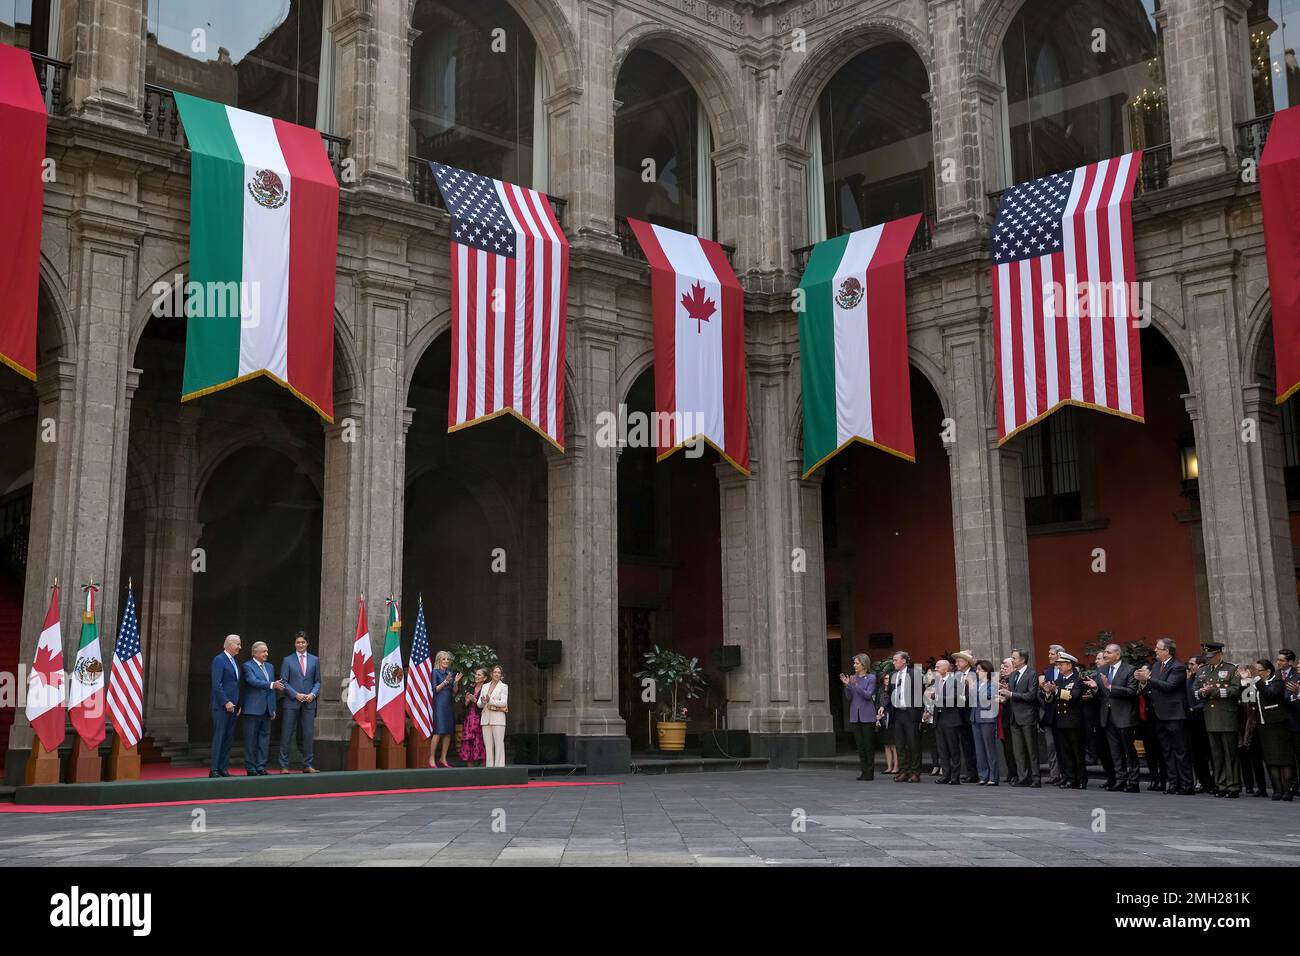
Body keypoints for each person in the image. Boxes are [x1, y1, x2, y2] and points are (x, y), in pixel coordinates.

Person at [1136, 637, 1192, 795]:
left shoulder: (1178, 667)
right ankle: (1173, 783)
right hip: (1159, 715)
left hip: (1174, 715)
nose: (1155, 650)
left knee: (1180, 752)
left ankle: (1186, 784)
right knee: (1166, 751)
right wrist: (1142, 683)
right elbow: (1153, 689)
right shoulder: (1156, 665)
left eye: (1158, 648)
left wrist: (1148, 679)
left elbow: (1169, 687)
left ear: (1167, 651)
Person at [1087, 642, 1140, 792]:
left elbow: (1131, 692)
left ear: (1118, 654)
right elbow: (1100, 695)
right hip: (1107, 716)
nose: (1105, 655)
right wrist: (1095, 688)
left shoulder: (1129, 670)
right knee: (1115, 751)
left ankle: (1133, 781)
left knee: (1129, 750)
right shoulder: (1102, 669)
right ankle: (1120, 779)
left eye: (1109, 652)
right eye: (1105, 652)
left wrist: (1111, 687)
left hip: (1124, 716)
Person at [1242, 659, 1296, 801]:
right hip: (1263, 727)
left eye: (1259, 670)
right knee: (1271, 760)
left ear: (1268, 671)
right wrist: (1245, 681)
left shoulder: (1277, 682)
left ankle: (1287, 790)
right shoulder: (1257, 683)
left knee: (1284, 759)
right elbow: (1247, 698)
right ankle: (1277, 790)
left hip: (1278, 726)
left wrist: (1257, 679)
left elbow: (1269, 694)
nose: (1256, 673)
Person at [1194, 641, 1242, 797]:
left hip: (1226, 715)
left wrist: (1213, 691)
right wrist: (1202, 693)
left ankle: (1233, 785)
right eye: (1206, 656)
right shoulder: (1202, 671)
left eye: (1211, 656)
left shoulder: (1230, 669)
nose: (1208, 659)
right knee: (1217, 753)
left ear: (1220, 654)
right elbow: (1195, 692)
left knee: (1230, 753)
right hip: (1210, 716)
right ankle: (1220, 784)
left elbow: (1235, 690)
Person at [1041, 651, 1086, 789]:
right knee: (1065, 752)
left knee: (1077, 751)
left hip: (1073, 721)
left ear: (1069, 665)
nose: (1059, 667)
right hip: (1060, 720)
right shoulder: (1059, 680)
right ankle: (1070, 778)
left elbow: (1074, 696)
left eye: (1061, 664)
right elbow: (1051, 700)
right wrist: (1048, 693)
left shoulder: (1077, 680)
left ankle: (1081, 779)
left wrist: (1056, 691)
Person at [278, 631, 321, 774]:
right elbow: (284, 681)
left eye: (303, 642)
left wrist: (312, 694)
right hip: (291, 702)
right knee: (287, 733)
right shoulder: (287, 660)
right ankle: (284, 765)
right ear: (294, 644)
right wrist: (296, 694)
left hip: (309, 702)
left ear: (307, 643)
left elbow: (317, 681)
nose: (300, 645)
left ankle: (307, 764)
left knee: (308, 734)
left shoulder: (315, 660)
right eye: (298, 642)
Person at [240, 641, 283, 776]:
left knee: (264, 739)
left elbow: (273, 690)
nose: (266, 654)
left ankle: (261, 767)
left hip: (267, 709)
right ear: (255, 653)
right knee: (251, 739)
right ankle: (251, 768)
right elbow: (252, 681)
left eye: (267, 651)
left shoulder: (269, 667)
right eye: (263, 651)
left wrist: (273, 708)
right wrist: (271, 684)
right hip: (252, 709)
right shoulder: (247, 665)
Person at [1000, 648, 1040, 787]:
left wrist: (1011, 694)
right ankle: (1023, 777)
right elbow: (1011, 695)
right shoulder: (1013, 675)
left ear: (1022, 659)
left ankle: (1036, 778)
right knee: (1018, 750)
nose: (1012, 660)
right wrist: (1004, 696)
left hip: (1027, 717)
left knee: (1031, 749)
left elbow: (1031, 695)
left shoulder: (1031, 674)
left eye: (1014, 658)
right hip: (1014, 717)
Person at [888, 651, 925, 783]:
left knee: (913, 743)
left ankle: (915, 772)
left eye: (895, 660)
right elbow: (889, 694)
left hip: (910, 714)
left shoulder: (914, 674)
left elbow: (920, 694)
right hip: (897, 713)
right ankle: (903, 771)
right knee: (900, 744)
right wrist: (884, 708)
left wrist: (920, 712)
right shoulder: (893, 675)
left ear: (904, 661)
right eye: (893, 660)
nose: (893, 662)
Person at [209, 634, 243, 778]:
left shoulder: (235, 662)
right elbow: (217, 684)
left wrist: (238, 704)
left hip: (233, 707)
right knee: (220, 736)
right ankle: (214, 769)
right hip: (221, 707)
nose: (240, 647)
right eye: (238, 644)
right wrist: (226, 702)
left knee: (228, 739)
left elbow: (236, 685)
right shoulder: (219, 659)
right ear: (229, 644)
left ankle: (223, 768)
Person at [840, 653, 877, 781]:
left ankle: (870, 772)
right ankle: (863, 771)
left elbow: (867, 695)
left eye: (856, 663)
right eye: (854, 663)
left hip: (867, 716)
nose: (854, 665)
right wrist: (847, 685)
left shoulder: (871, 678)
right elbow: (849, 697)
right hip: (855, 715)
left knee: (868, 745)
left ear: (863, 664)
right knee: (860, 746)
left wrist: (856, 685)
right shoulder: (852, 677)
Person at [1082, 650, 1115, 786]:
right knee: (1103, 750)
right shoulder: (1095, 676)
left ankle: (1118, 777)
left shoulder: (1111, 675)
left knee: (1113, 750)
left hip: (1113, 716)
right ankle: (1110, 777)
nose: (1097, 661)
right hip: (1098, 718)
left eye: (1100, 658)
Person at [1238, 663, 1270, 798]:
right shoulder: (1245, 685)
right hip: (1247, 726)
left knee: (1263, 759)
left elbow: (1251, 700)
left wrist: (1249, 681)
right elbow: (1246, 698)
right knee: (1253, 759)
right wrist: (1244, 682)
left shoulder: (1260, 684)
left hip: (1259, 726)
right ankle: (1257, 787)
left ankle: (1266, 786)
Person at [1184, 656, 1215, 793]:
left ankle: (1215, 782)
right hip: (1192, 721)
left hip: (1206, 718)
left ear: (1201, 665)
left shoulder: (1207, 678)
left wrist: (1194, 708)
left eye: (1192, 664)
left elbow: (1208, 699)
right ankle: (1204, 782)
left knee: (1211, 753)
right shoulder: (1190, 679)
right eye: (1189, 664)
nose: (1190, 667)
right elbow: (1187, 695)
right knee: (1197, 755)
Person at [929, 658, 962, 785]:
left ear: (946, 668)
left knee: (953, 749)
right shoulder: (938, 681)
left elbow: (955, 697)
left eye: (938, 667)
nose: (936, 669)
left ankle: (955, 776)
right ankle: (946, 774)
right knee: (942, 748)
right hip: (940, 718)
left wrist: (937, 697)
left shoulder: (955, 680)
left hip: (951, 718)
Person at [970, 659, 1001, 785]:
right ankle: (983, 775)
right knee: (979, 749)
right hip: (976, 717)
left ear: (987, 671)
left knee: (989, 748)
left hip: (987, 718)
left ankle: (993, 776)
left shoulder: (992, 684)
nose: (977, 672)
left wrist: (972, 690)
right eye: (977, 670)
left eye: (979, 670)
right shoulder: (976, 684)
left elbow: (987, 697)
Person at [1274, 649, 1300, 796]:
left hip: (1294, 721)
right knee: (1286, 756)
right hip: (1279, 723)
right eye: (1278, 660)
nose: (1278, 662)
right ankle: (1290, 784)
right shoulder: (1275, 676)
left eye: (1282, 660)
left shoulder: (1297, 676)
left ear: (1290, 662)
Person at [429, 651, 460, 768]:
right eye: (444, 659)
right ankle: (432, 758)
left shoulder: (450, 672)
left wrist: (456, 682)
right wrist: (446, 681)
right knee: (438, 731)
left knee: (448, 732)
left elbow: (454, 691)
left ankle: (443, 758)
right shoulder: (435, 672)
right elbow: (435, 689)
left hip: (448, 704)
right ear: (439, 661)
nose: (446, 661)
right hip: (439, 704)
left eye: (447, 659)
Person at [952, 650, 979, 781]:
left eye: (959, 660)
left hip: (971, 712)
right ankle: (970, 772)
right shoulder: (957, 675)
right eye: (956, 661)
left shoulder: (974, 674)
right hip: (960, 714)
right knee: (966, 744)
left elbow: (973, 694)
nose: (956, 663)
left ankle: (977, 772)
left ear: (967, 663)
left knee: (974, 743)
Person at [1040, 644, 1065, 785]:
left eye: (1052, 654)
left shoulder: (1068, 671)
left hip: (1064, 713)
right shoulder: (1047, 672)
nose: (1049, 656)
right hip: (1050, 714)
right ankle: (1054, 774)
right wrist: (1046, 692)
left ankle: (1066, 774)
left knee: (1063, 745)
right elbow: (1043, 694)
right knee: (1050, 746)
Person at [478, 664, 509, 767]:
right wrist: (482, 702)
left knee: (499, 744)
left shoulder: (504, 686)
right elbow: (479, 704)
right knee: (488, 746)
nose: (496, 674)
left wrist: (490, 700)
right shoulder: (484, 686)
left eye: (499, 673)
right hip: (486, 718)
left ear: (501, 675)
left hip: (498, 719)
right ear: (491, 674)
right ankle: (489, 768)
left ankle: (499, 768)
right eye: (495, 672)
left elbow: (504, 703)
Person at [458, 667, 488, 766]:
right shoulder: (470, 688)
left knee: (480, 741)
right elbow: (463, 706)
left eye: (479, 675)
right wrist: (466, 702)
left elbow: (487, 705)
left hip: (481, 718)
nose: (476, 676)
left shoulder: (486, 688)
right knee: (468, 742)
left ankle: (483, 766)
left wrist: (476, 701)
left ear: (484, 678)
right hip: (469, 719)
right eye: (476, 674)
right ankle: (469, 768)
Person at [997, 657, 1018, 783]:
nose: (1002, 669)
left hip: (1014, 717)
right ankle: (1011, 772)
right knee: (1006, 747)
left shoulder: (1015, 680)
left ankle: (1016, 773)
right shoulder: (1001, 681)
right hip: (1002, 717)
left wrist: (1008, 694)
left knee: (1014, 748)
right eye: (1002, 667)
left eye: (1005, 666)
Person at [876, 670, 897, 775]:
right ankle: (889, 767)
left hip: (891, 719)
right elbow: (877, 703)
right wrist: (877, 715)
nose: (887, 680)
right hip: (882, 720)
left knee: (893, 744)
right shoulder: (880, 691)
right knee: (886, 745)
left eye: (889, 678)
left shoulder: (893, 690)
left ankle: (896, 767)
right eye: (885, 678)